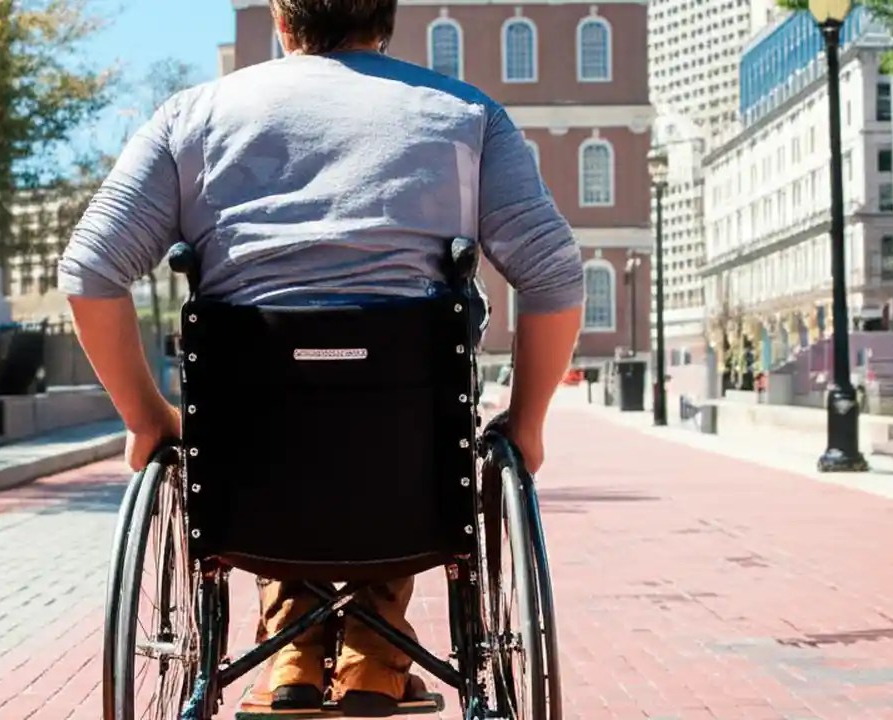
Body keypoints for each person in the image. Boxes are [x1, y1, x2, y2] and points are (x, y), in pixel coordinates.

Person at [58, 0, 583, 714]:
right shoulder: (465, 115)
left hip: (251, 485)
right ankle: (374, 655)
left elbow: (90, 270)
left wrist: (147, 415)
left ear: (281, 18)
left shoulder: (193, 117)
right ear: (387, 15)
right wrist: (526, 424)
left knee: (274, 421)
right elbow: (555, 274)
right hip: (413, 480)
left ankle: (293, 652)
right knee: (399, 413)